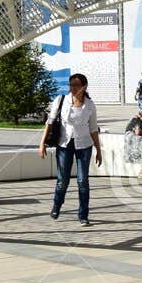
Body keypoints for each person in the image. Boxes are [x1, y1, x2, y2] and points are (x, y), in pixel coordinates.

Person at [40, 72, 101, 225]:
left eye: (76, 85)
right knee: (63, 180)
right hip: (64, 144)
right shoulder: (61, 100)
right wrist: (42, 144)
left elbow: (93, 128)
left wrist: (98, 150)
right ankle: (57, 205)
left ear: (84, 87)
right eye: (71, 85)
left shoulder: (90, 105)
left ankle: (83, 215)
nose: (73, 88)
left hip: (84, 145)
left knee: (83, 181)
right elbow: (50, 122)